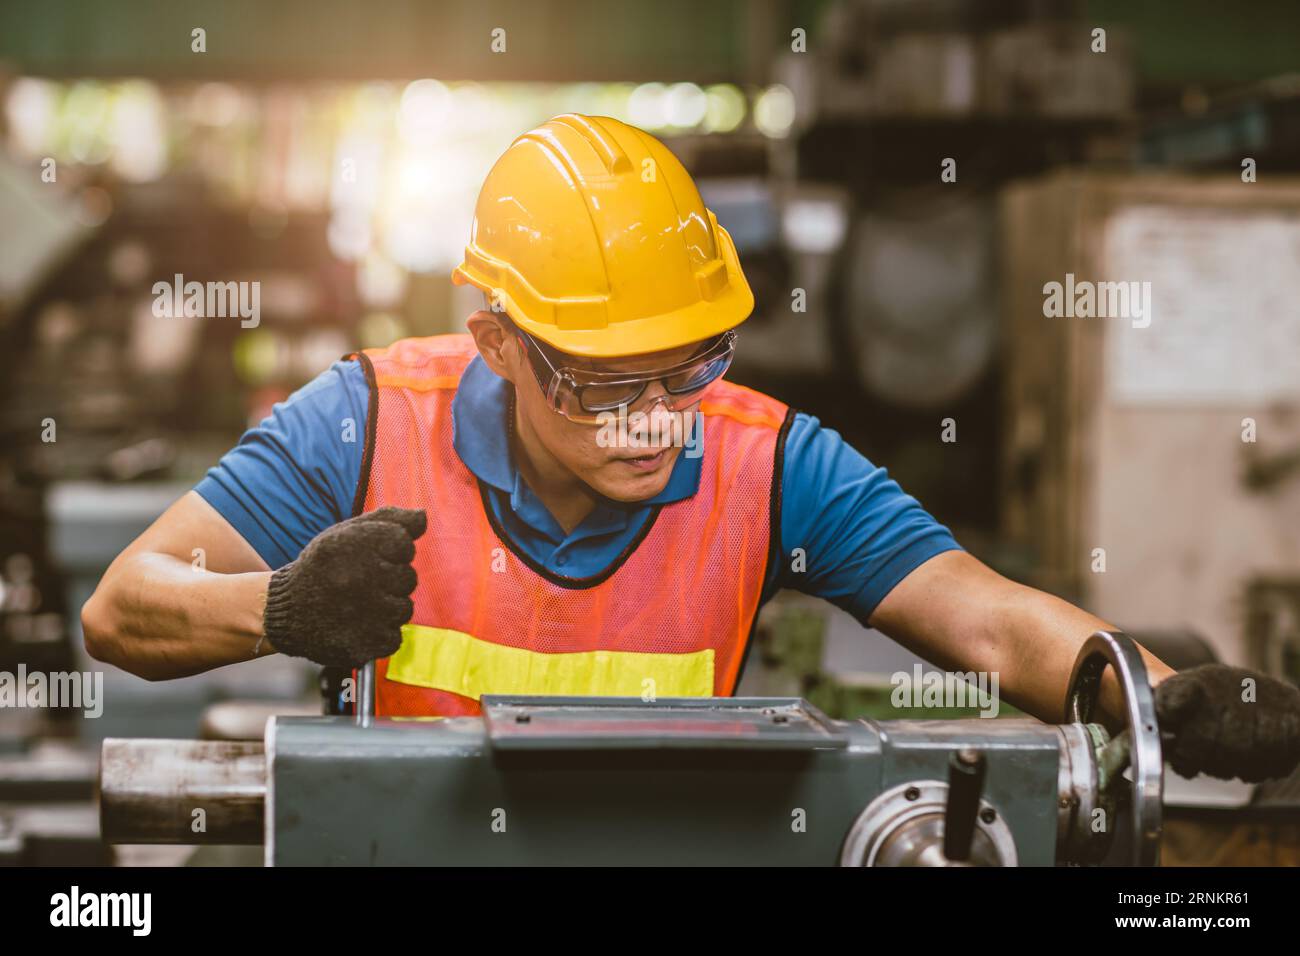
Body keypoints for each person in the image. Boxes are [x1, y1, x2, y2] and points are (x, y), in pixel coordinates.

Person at [82, 114, 1298, 782]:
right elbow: (122, 611)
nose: (658, 416)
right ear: (495, 341)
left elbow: (988, 623)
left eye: (690, 365)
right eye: (606, 381)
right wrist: (280, 606)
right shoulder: (363, 423)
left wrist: (1157, 693)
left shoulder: (767, 462)